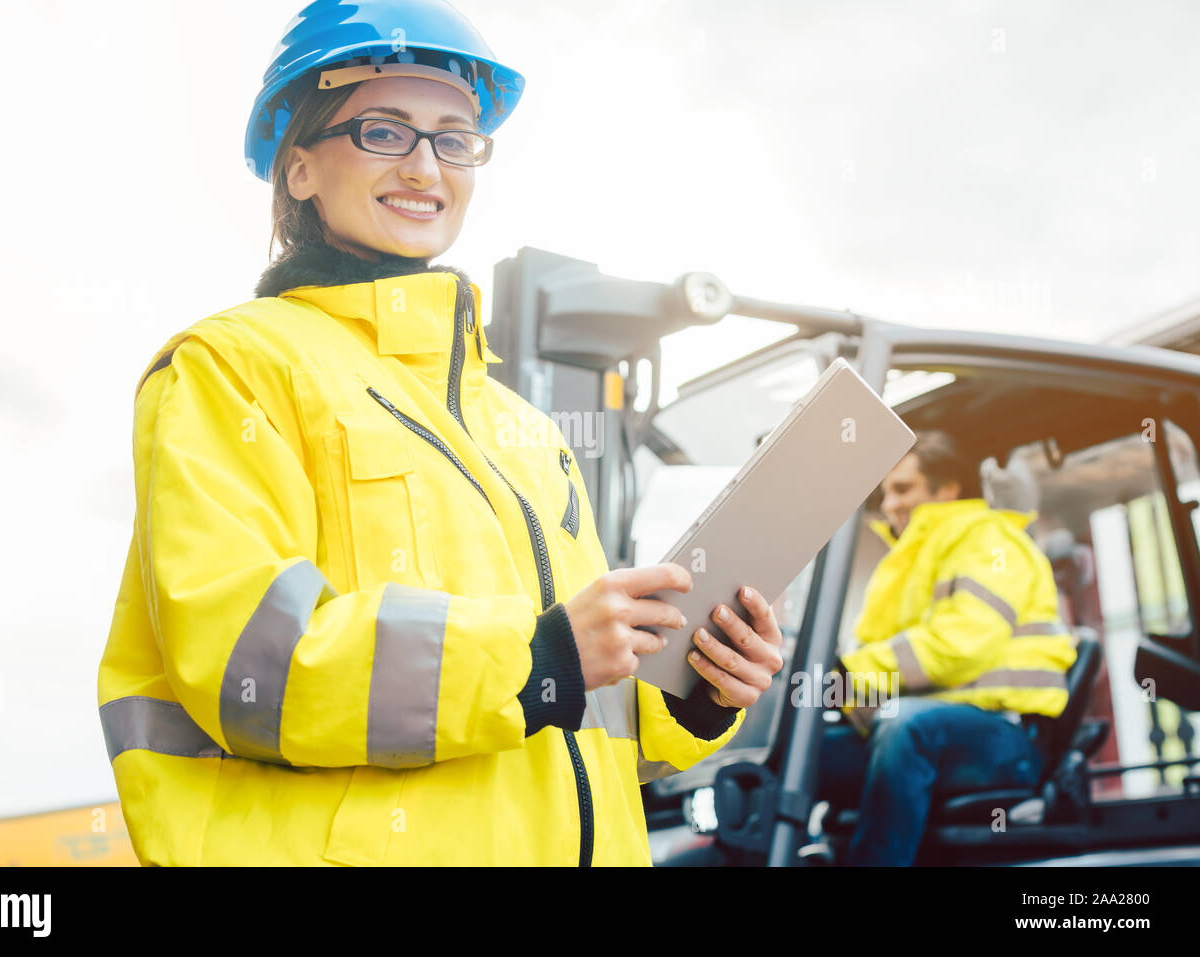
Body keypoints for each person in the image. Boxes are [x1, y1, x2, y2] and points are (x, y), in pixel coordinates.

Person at [96, 0, 784, 866]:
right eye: (385, 131)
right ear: (298, 167)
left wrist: (697, 692)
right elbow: (248, 667)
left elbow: (580, 719)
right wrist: (538, 655)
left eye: (454, 139)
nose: (426, 165)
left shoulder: (526, 429)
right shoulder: (229, 369)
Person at [817, 430, 1079, 865]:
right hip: (924, 730)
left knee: (906, 726)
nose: (889, 505)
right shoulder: (905, 562)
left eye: (903, 488)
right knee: (808, 751)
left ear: (948, 488)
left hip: (1005, 736)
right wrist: (837, 688)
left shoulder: (991, 542)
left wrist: (849, 672)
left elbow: (958, 645)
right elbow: (872, 659)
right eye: (885, 493)